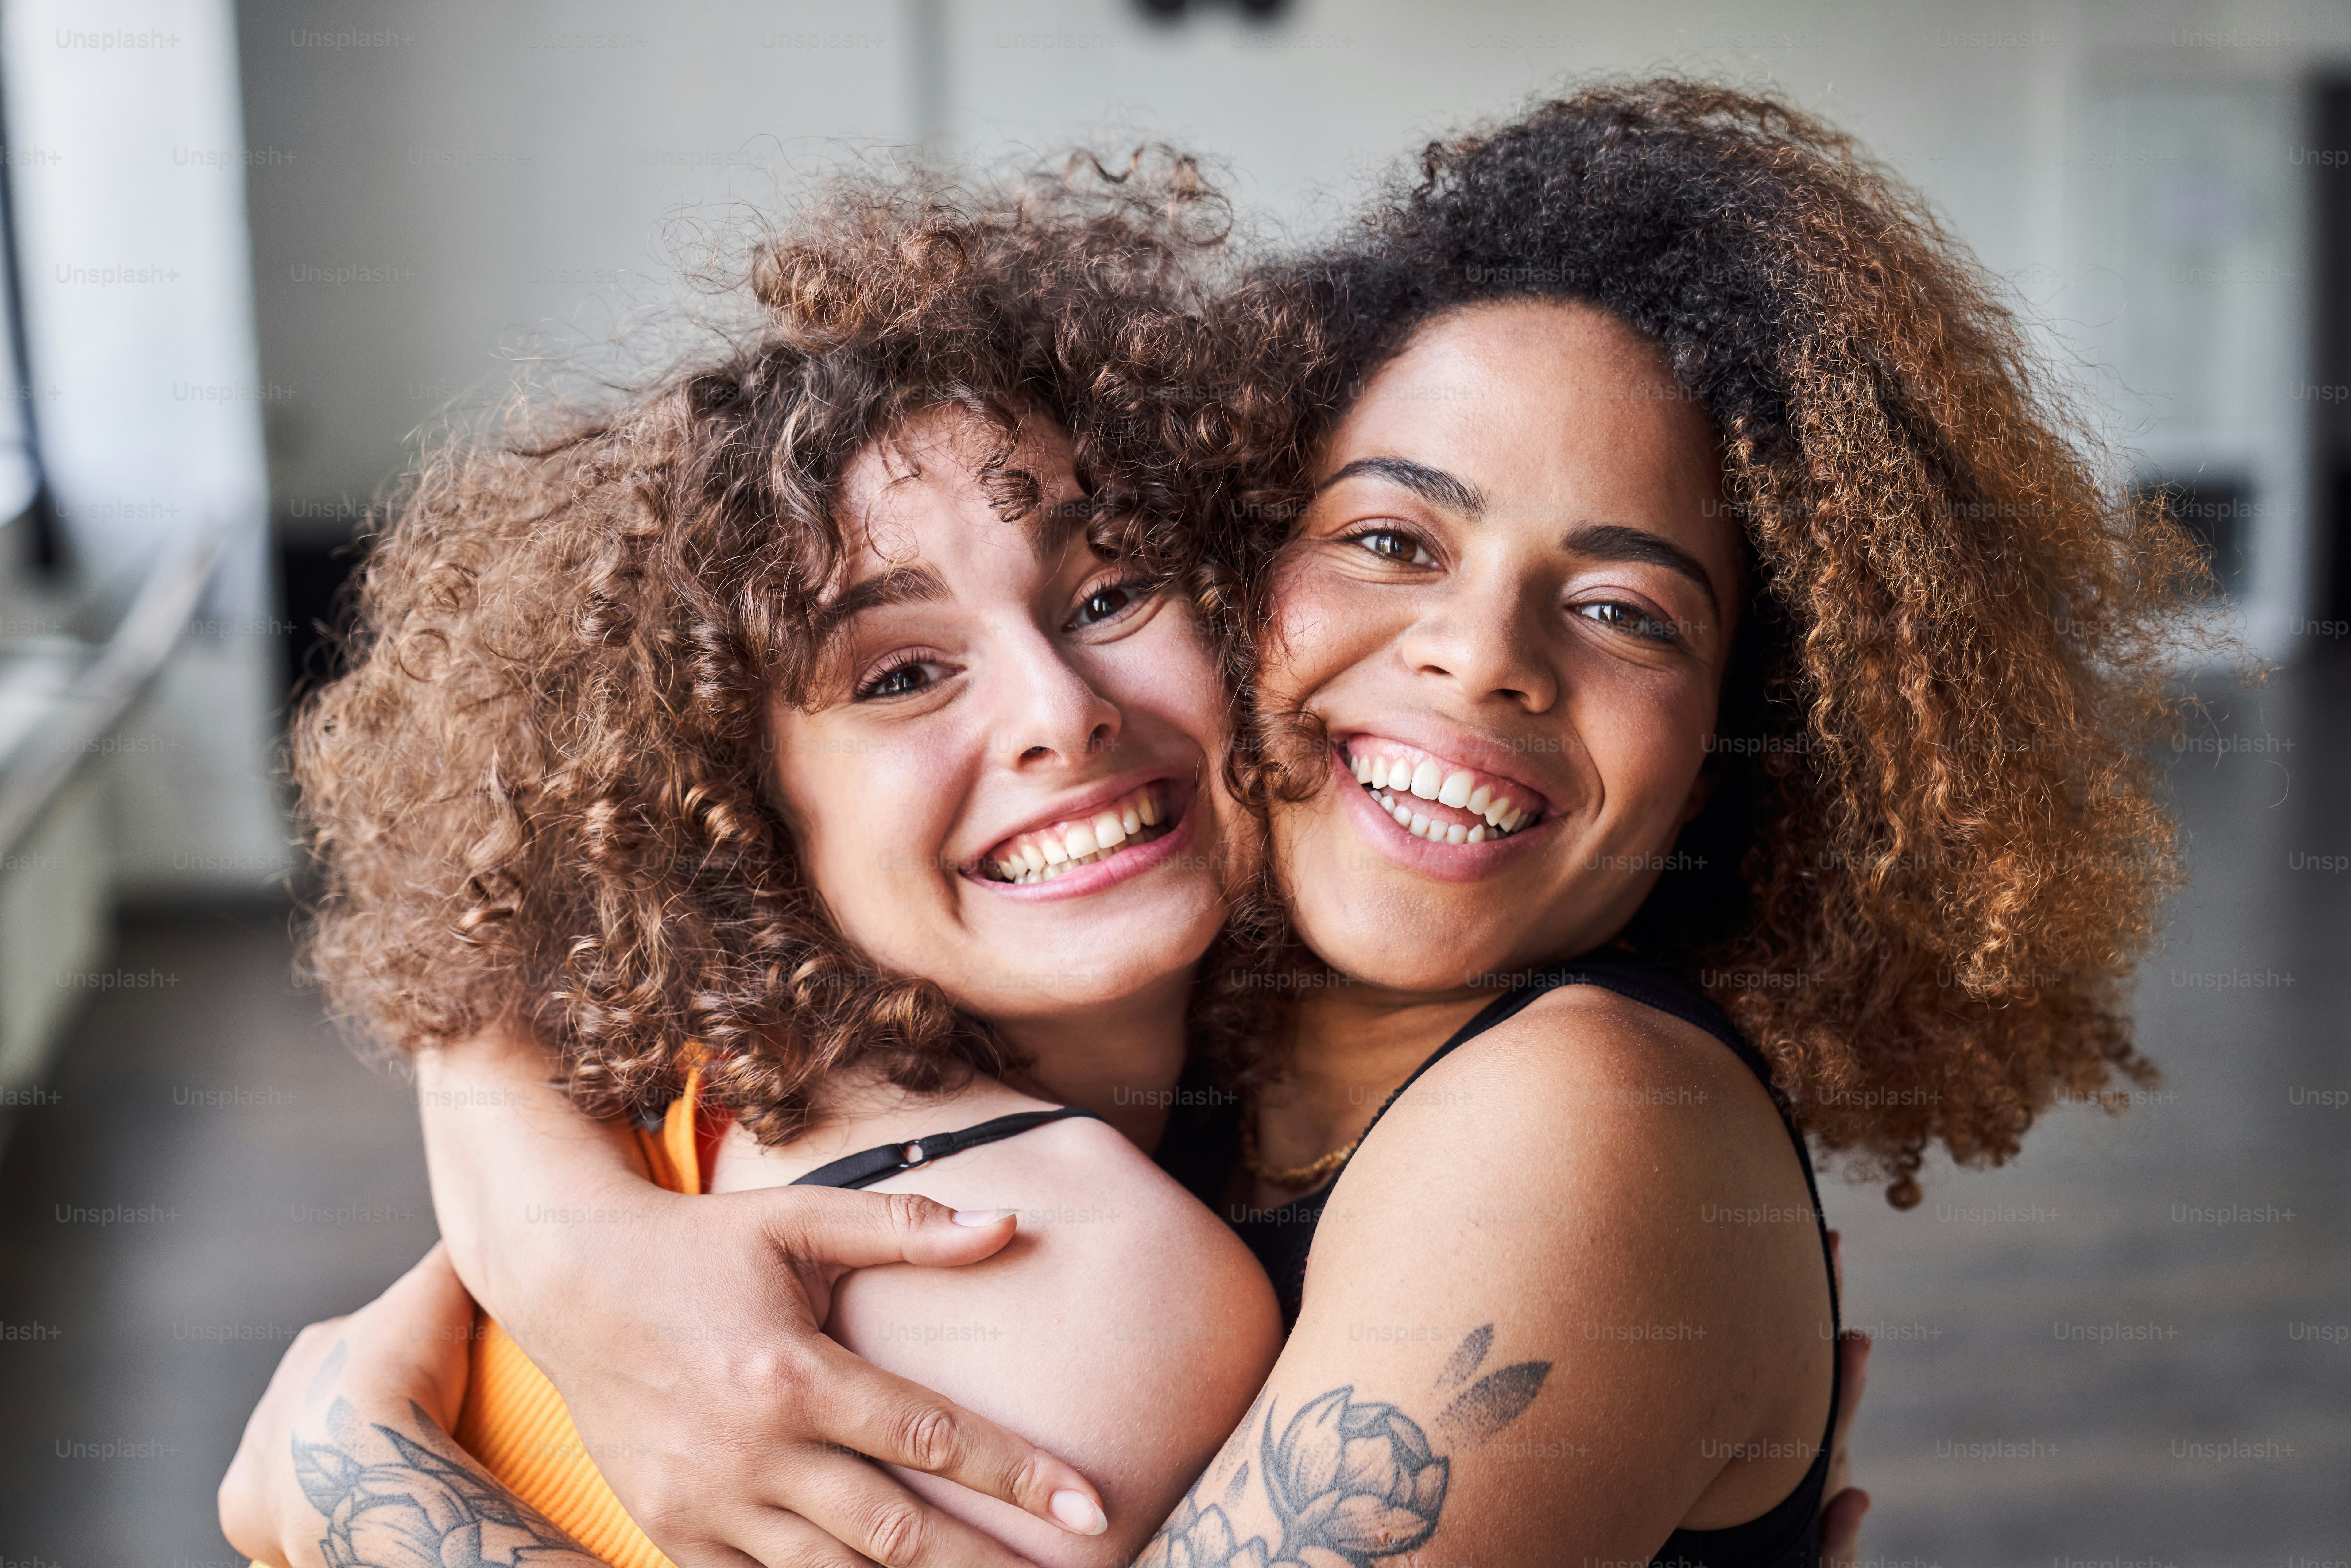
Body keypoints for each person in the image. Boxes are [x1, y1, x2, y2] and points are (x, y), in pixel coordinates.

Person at [233, 76, 2198, 1566]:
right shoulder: (1159, 1024)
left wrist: (357, 1482)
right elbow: (500, 964)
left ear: (1750, 728)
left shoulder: (1586, 1124)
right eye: (1389, 539)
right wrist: (558, 1228)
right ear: (1247, 559)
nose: (1475, 660)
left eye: (1622, 610)